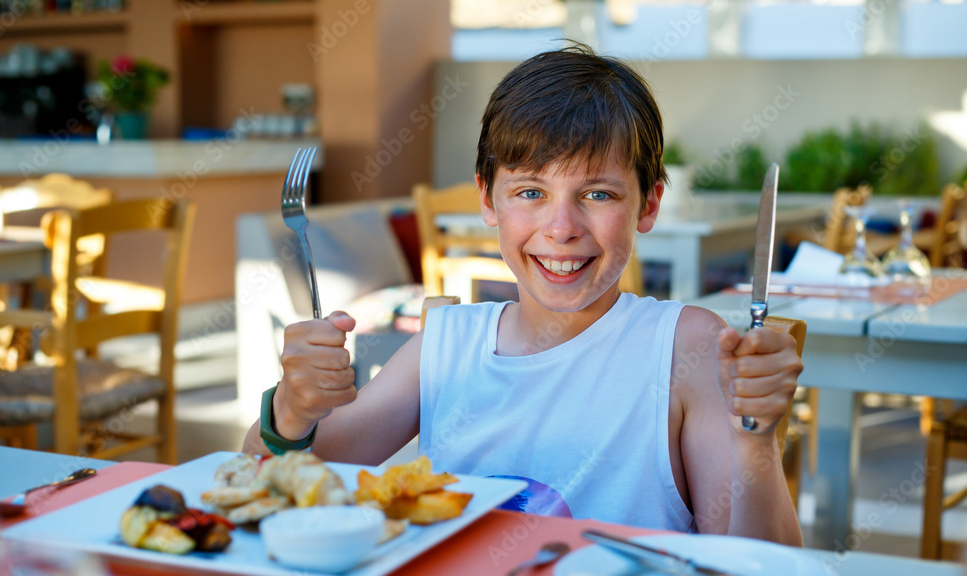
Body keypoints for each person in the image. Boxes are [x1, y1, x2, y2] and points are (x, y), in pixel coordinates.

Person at [243, 45, 804, 546]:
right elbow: (262, 481)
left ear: (649, 205)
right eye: (530, 191)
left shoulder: (691, 349)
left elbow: (763, 572)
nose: (561, 227)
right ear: (487, 199)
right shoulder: (444, 348)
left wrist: (755, 441)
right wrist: (291, 410)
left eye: (599, 193)